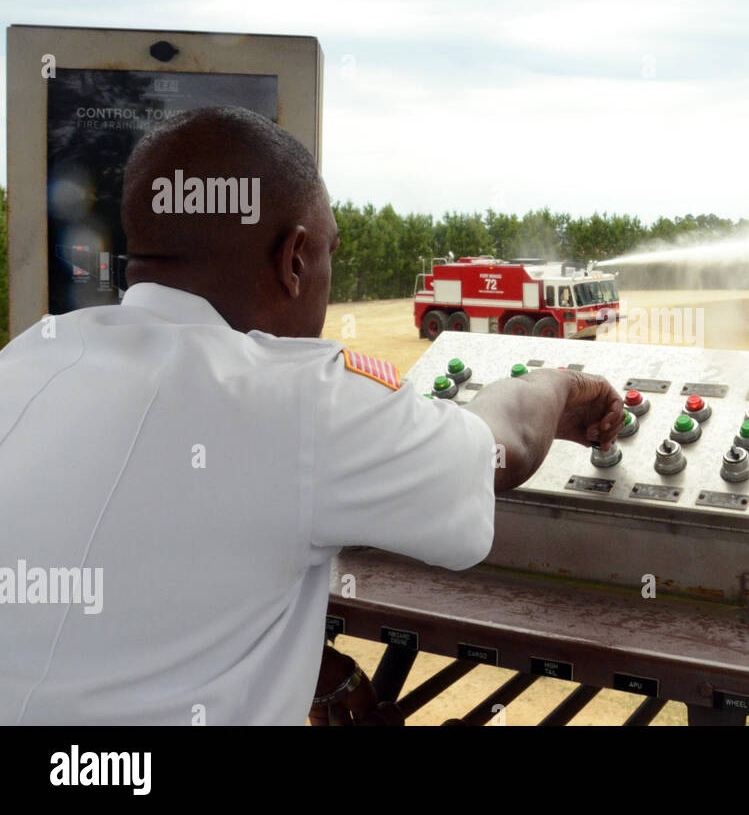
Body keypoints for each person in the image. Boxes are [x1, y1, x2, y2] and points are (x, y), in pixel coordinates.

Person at [0, 106, 623, 725]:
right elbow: (502, 447)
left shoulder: (30, 356)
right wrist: (557, 383)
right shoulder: (300, 396)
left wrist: (302, 659)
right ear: (294, 259)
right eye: (330, 251)